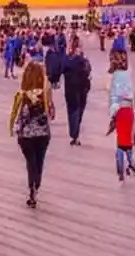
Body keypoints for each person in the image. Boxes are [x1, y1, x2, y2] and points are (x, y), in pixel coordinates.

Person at [8, 61, 54, 208]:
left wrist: (11, 128)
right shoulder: (45, 94)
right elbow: (51, 113)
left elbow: (14, 113)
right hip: (43, 133)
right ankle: (36, 184)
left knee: (30, 161)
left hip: (25, 135)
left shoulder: (21, 95)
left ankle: (31, 187)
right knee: (40, 161)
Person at [106, 48, 135, 181]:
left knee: (121, 138)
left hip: (118, 109)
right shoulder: (127, 75)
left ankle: (121, 168)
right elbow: (131, 94)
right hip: (128, 108)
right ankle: (130, 161)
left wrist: (112, 113)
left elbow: (112, 95)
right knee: (128, 138)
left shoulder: (114, 77)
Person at [61, 37, 91, 145]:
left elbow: (62, 69)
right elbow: (87, 70)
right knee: (77, 111)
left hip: (71, 88)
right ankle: (75, 134)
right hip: (80, 88)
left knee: (73, 111)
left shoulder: (67, 59)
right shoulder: (81, 59)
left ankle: (74, 133)